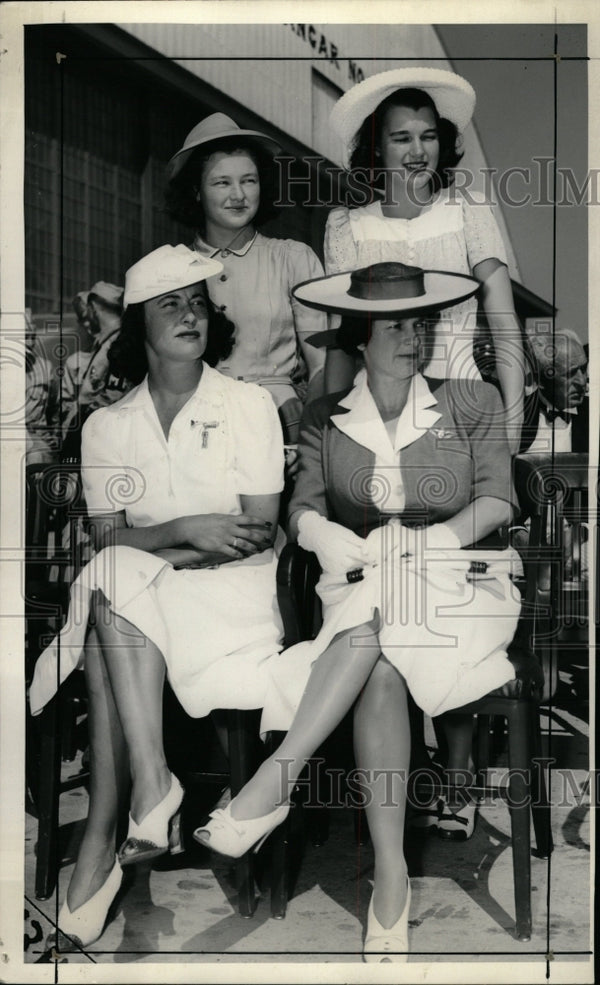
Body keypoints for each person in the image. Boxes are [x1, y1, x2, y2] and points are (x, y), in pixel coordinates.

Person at [195, 262, 523, 962]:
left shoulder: (473, 400)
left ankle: (275, 779)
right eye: (396, 325)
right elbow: (303, 505)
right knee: (380, 663)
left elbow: (500, 499)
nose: (415, 336)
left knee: (383, 612)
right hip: (368, 599)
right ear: (362, 336)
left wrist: (423, 539)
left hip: (465, 586)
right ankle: (392, 879)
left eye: (421, 322)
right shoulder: (324, 414)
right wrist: (320, 534)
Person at [28, 244, 285, 949]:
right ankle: (146, 791)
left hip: (229, 601)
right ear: (140, 324)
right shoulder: (107, 426)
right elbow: (108, 541)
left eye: (198, 301)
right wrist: (187, 530)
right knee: (115, 587)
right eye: (171, 303)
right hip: (145, 600)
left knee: (112, 600)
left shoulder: (249, 404)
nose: (189, 313)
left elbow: (256, 533)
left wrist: (156, 547)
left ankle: (115, 827)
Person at [322, 67, 525, 454]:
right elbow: (342, 342)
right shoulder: (347, 226)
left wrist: (511, 426)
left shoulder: (470, 212)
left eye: (428, 137)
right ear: (378, 146)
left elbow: (504, 325)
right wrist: (334, 435)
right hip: (375, 419)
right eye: (402, 138)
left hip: (462, 411)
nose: (418, 152)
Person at [165, 112, 326, 446]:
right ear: (196, 191)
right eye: (222, 182)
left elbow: (322, 364)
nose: (238, 195)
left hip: (282, 421)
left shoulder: (293, 258)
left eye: (248, 181)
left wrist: (309, 439)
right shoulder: (173, 268)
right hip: (200, 426)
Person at [60, 282, 129, 460]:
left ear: (92, 307)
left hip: (102, 441)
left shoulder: (118, 344)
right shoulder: (108, 343)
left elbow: (112, 396)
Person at [520, 326, 588, 454]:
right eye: (570, 373)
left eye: (583, 369)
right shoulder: (519, 415)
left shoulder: (592, 414)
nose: (582, 381)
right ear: (540, 381)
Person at [24, 307, 60, 464]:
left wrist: (54, 435)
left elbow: (55, 408)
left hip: (39, 441)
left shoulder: (45, 368)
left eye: (32, 336)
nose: (30, 341)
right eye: (24, 336)